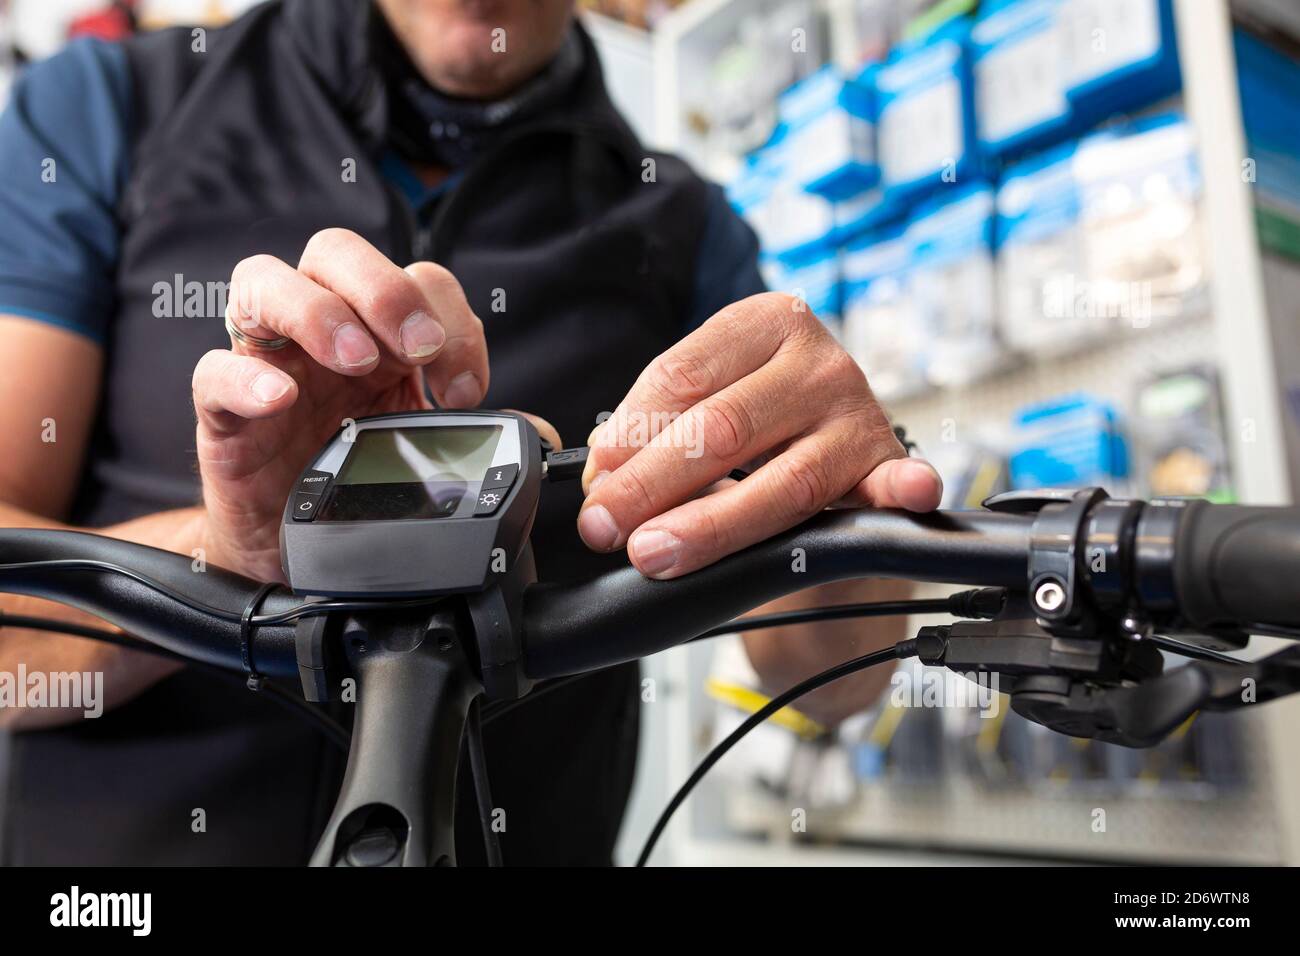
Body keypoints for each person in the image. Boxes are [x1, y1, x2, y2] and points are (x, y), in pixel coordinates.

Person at [0, 0, 941, 865]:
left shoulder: (687, 225)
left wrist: (843, 525)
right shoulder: (103, 110)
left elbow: (829, 685)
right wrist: (227, 554)